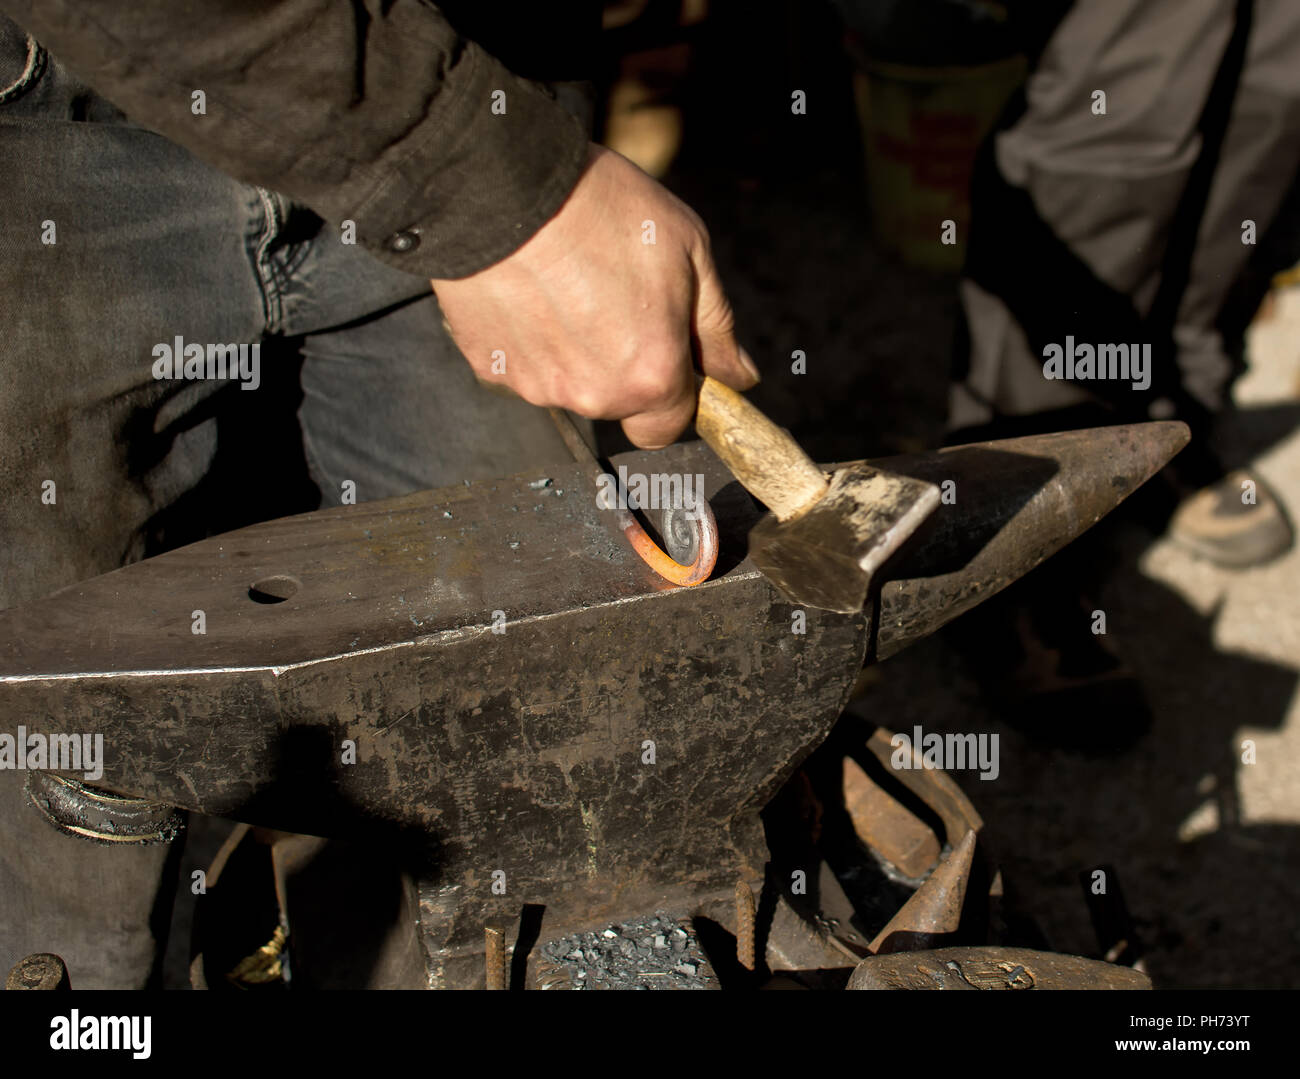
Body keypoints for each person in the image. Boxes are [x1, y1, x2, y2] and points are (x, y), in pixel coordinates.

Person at [0, 1, 756, 987]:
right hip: (51, 125)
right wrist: (486, 188)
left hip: (435, 54)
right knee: (67, 791)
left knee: (526, 723)